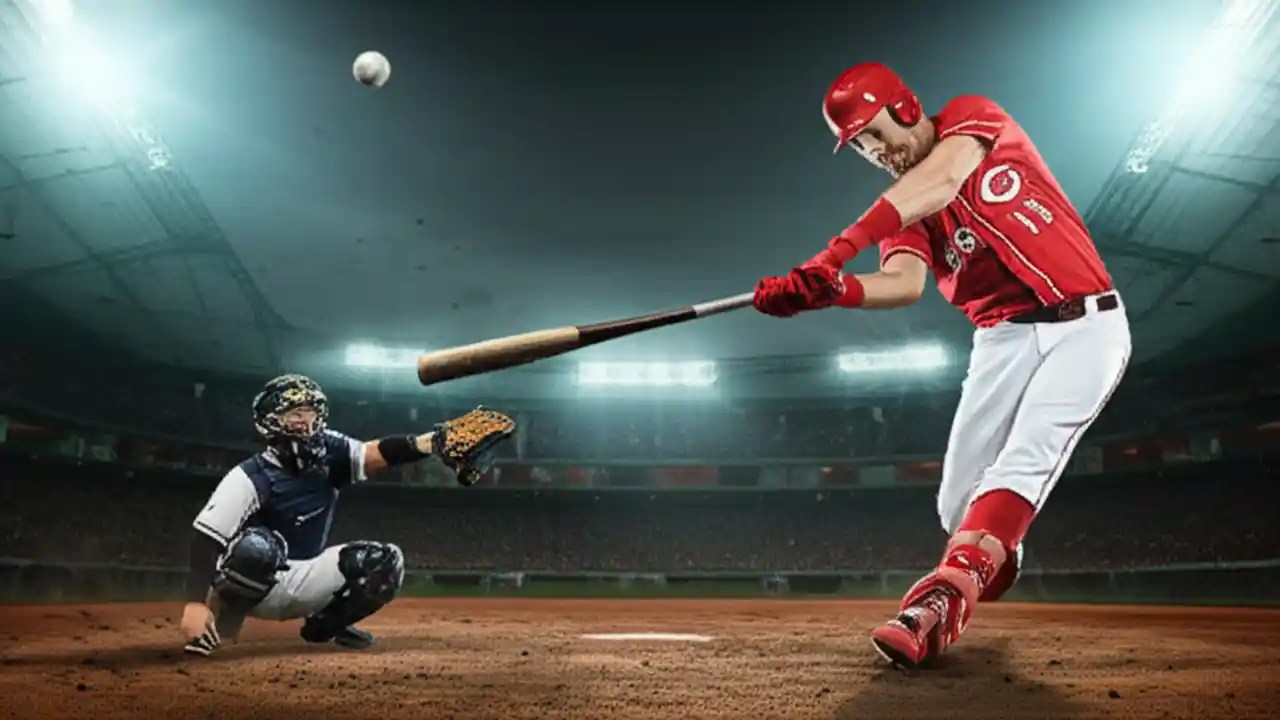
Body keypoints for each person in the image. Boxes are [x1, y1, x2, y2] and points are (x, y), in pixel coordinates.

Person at [752, 63, 1131, 669]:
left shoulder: (971, 119)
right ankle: (990, 549)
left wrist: (834, 252)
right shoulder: (907, 213)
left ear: (905, 107)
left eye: (876, 133)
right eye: (861, 147)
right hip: (1002, 339)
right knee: (957, 507)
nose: (876, 152)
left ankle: (934, 605)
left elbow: (945, 178)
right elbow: (902, 283)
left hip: (1086, 324)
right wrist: (831, 290)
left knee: (1027, 454)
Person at [180, 373, 514, 656]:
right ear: (271, 422)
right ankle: (222, 629)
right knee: (257, 548)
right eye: (295, 413)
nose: (306, 422)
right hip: (258, 583)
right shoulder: (250, 475)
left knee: (386, 561)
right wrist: (195, 603)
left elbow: (374, 453)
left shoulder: (331, 452)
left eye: (311, 412)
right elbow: (207, 537)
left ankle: (326, 626)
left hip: (307, 573)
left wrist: (430, 443)